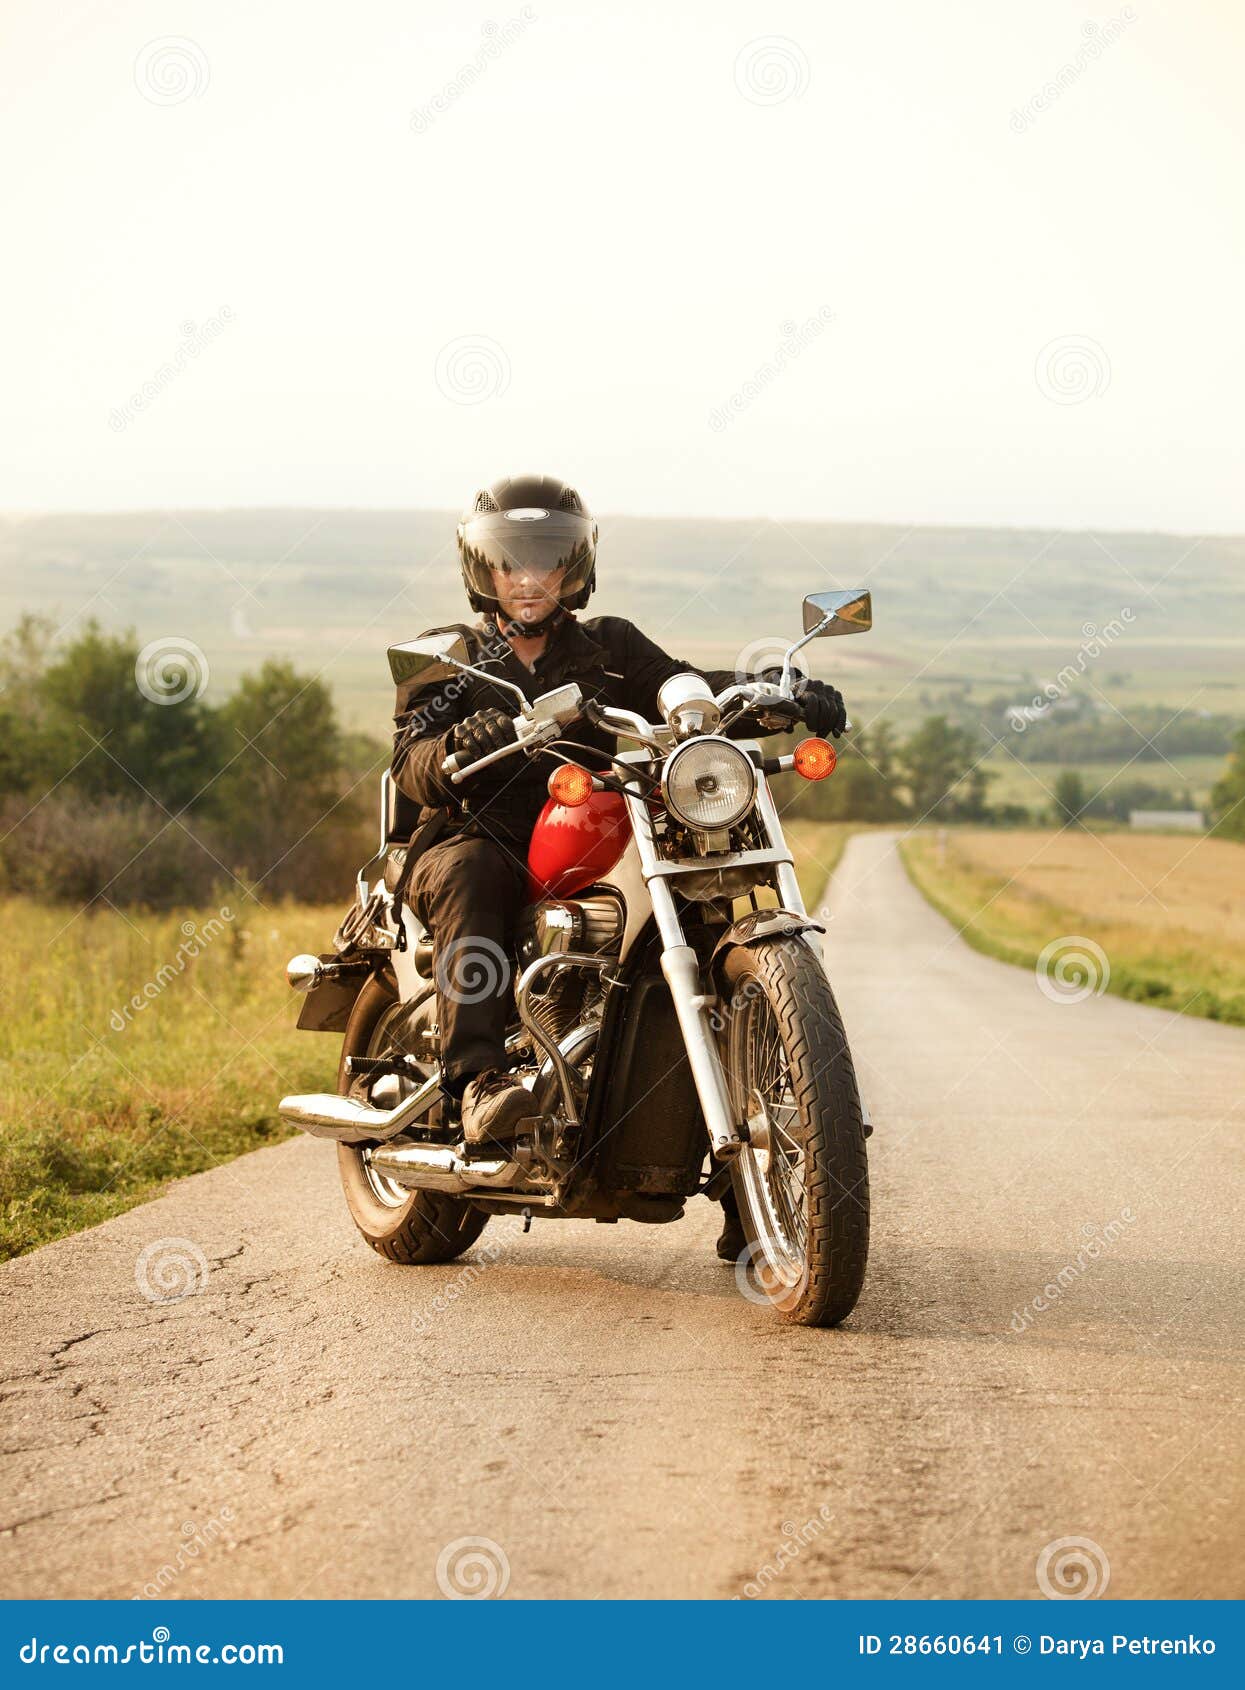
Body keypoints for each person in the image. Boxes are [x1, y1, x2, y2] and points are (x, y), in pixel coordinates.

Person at [389, 474, 846, 1260]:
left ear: (574, 567)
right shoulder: (453, 656)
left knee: (696, 909)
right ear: (482, 569)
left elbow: (682, 689)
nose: (528, 578)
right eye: (509, 562)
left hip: (594, 826)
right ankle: (477, 1084)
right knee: (476, 879)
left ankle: (746, 1180)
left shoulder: (610, 646)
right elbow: (410, 759)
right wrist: (456, 744)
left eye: (546, 560)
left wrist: (777, 693)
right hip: (477, 831)